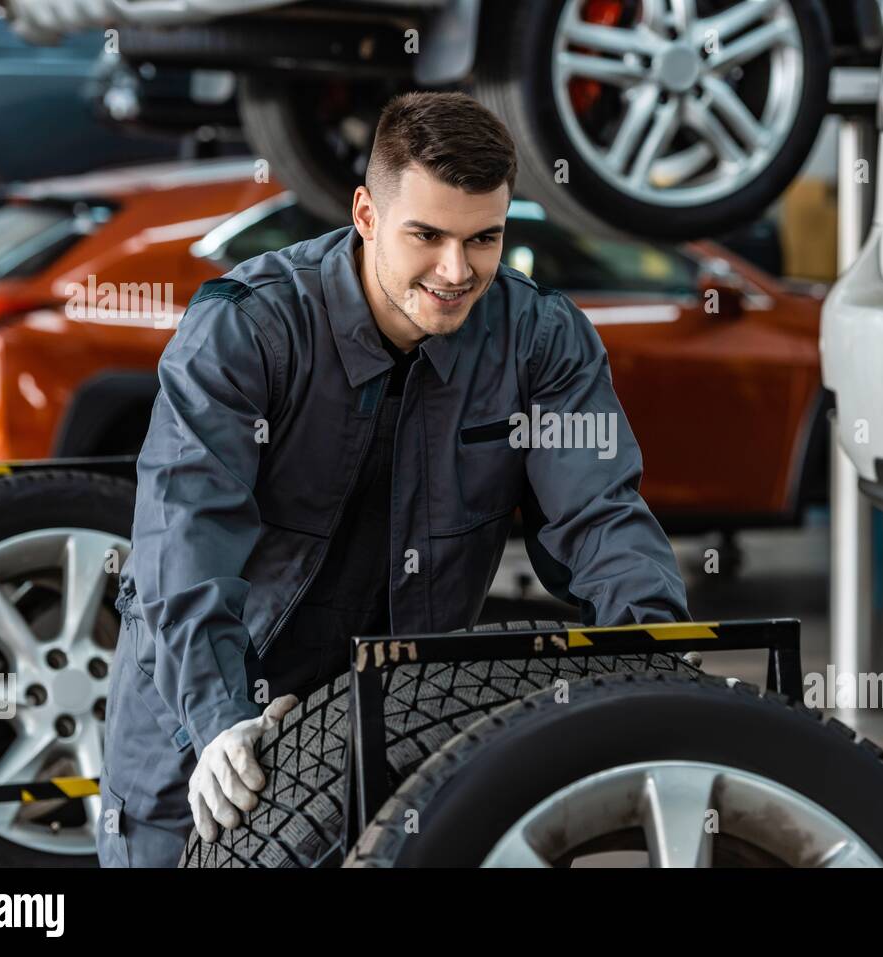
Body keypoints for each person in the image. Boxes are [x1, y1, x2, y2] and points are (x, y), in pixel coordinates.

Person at [96, 90, 690, 867]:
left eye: (485, 239)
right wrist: (217, 716)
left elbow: (600, 517)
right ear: (366, 214)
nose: (457, 270)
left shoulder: (540, 341)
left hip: (403, 717)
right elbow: (185, 536)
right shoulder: (248, 329)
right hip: (202, 714)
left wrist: (663, 671)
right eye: (428, 234)